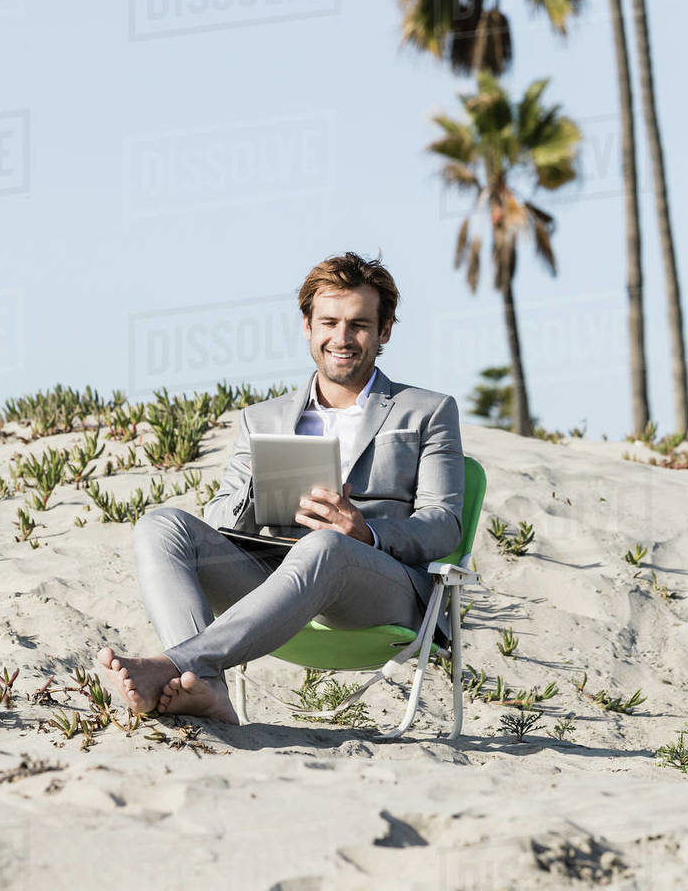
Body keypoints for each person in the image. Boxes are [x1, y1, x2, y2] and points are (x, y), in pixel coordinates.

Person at [97, 251, 464, 722]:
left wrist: (365, 533)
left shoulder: (428, 411)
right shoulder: (262, 419)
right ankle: (206, 687)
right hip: (278, 580)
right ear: (308, 325)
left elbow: (445, 525)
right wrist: (260, 488)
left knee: (327, 545)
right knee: (160, 526)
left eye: (359, 324)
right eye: (328, 321)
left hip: (382, 590)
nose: (342, 338)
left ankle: (175, 666)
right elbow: (221, 519)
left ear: (384, 331)